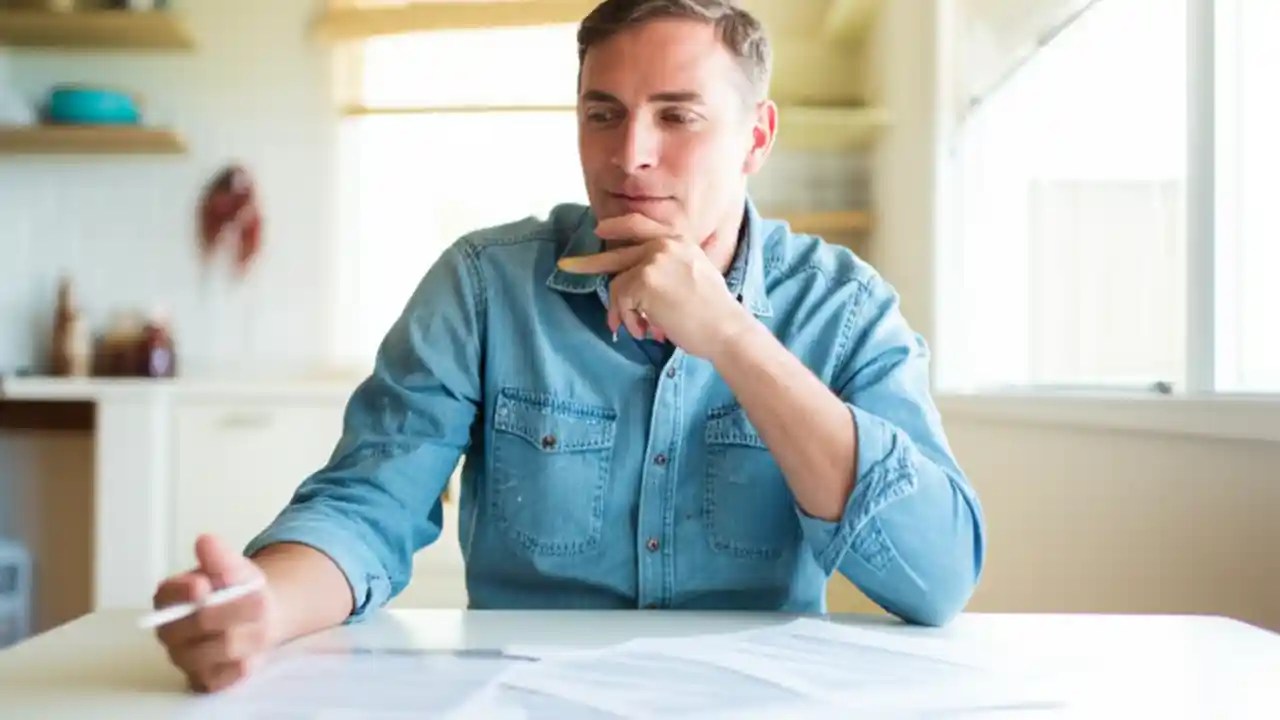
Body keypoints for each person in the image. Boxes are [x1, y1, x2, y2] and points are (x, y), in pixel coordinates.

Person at [152, 0, 985, 693]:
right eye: (603, 114)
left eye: (678, 116)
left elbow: (938, 577)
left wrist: (730, 336)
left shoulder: (844, 309)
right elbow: (364, 510)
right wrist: (263, 604)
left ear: (756, 138)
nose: (630, 156)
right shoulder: (483, 287)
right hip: (521, 702)